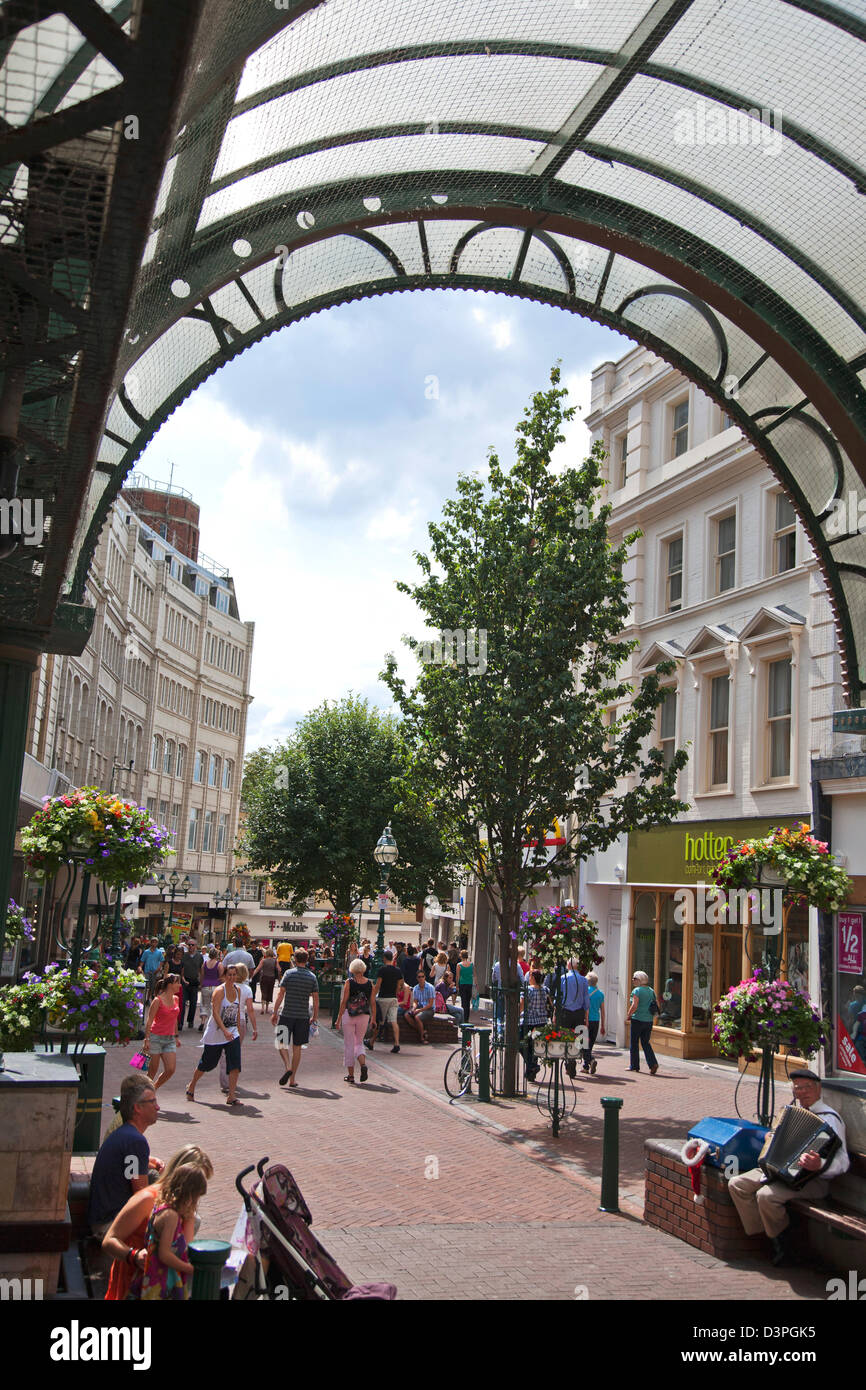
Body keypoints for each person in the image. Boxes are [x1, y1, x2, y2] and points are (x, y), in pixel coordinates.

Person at [728, 1070, 850, 1265]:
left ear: (818, 1089)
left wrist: (819, 1165)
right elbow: (775, 1139)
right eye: (797, 1088)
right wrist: (770, 1140)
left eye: (807, 1087)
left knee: (765, 1196)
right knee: (737, 1183)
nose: (802, 1092)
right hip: (778, 1172)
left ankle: (784, 1247)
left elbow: (843, 1162)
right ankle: (766, 1238)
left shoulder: (830, 1119)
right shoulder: (789, 1112)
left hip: (811, 1181)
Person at [102, 1145, 214, 1301]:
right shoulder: (147, 1199)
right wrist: (133, 1255)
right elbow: (109, 1240)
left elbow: (183, 1253)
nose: (195, 1199)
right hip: (133, 1284)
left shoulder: (185, 1210)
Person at [88, 1075, 163, 1238]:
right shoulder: (136, 1142)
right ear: (137, 1108)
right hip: (110, 1226)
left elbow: (131, 1171)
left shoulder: (126, 1135)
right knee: (185, 1221)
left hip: (103, 1219)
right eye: (153, 1102)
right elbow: (141, 1196)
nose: (157, 1107)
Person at [128, 1163, 208, 1301]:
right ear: (188, 1194)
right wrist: (190, 1269)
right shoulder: (171, 1216)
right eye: (196, 1198)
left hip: (157, 1278)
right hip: (160, 1283)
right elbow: (164, 1254)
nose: (195, 1203)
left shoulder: (161, 1207)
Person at [186, 963, 248, 1106]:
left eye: (234, 975)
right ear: (224, 976)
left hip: (232, 1033)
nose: (232, 978)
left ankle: (231, 1096)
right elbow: (215, 1013)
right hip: (216, 1033)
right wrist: (224, 1030)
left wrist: (236, 1030)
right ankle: (192, 1085)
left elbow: (238, 1012)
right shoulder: (219, 991)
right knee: (208, 1063)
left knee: (235, 1064)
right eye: (229, 975)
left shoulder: (238, 990)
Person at [272, 947, 319, 1088]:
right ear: (306, 960)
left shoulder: (289, 974)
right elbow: (316, 1000)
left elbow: (281, 994)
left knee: (281, 1042)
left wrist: (274, 1012)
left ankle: (287, 1066)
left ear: (295, 959)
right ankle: (292, 1079)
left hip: (286, 1014)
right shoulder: (312, 977)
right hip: (303, 1016)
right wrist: (315, 1017)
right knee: (297, 1047)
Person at [544, 959, 590, 1078]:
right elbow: (586, 999)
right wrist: (586, 1015)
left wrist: (555, 1012)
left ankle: (568, 1062)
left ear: (569, 965)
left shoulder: (563, 978)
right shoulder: (584, 980)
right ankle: (573, 1059)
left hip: (565, 1012)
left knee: (565, 1037)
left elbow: (559, 997)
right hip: (578, 1012)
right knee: (578, 1038)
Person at [219, 963, 257, 1092]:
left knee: (225, 1052)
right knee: (234, 1052)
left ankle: (225, 1081)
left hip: (226, 1020)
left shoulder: (227, 987)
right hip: (240, 1021)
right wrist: (255, 1027)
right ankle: (230, 1081)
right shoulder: (247, 989)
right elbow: (250, 1010)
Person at [336, 957, 373, 1083]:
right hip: (364, 1015)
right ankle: (363, 1065)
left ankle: (351, 1075)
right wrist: (373, 1018)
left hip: (350, 1014)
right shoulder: (369, 983)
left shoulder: (349, 982)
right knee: (359, 1042)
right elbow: (372, 1002)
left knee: (349, 1044)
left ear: (352, 969)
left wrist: (338, 1018)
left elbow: (344, 1001)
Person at [144, 974, 182, 1090]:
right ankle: (144, 1093)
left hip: (169, 1039)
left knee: (170, 1069)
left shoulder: (176, 999)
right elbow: (149, 1020)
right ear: (170, 985)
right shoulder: (158, 1000)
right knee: (152, 1071)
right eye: (177, 983)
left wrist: (176, 1036)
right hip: (155, 1038)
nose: (179, 985)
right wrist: (147, 1039)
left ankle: (153, 1089)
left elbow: (174, 1018)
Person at [625, 970, 659, 1074]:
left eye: (634, 978)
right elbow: (657, 1004)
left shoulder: (637, 991)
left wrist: (629, 1014)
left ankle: (634, 1065)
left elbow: (634, 1005)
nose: (633, 980)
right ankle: (653, 1063)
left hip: (638, 1019)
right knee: (645, 1042)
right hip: (648, 1020)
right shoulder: (651, 990)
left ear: (639, 979)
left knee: (634, 1043)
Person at [520, 970, 550, 1082]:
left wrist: (517, 1015)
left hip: (529, 1022)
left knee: (521, 1043)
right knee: (535, 1046)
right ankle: (530, 1072)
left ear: (532, 977)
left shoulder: (528, 990)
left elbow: (522, 1006)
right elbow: (551, 1004)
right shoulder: (545, 990)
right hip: (541, 1022)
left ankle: (531, 1066)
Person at [372, 948, 403, 1053]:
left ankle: (371, 1042)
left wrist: (373, 995)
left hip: (383, 998)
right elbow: (400, 986)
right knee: (394, 1021)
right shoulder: (397, 970)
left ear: (384, 958)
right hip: (393, 998)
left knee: (379, 1021)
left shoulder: (382, 970)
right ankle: (397, 1043)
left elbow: (378, 985)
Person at [179, 940, 203, 1030]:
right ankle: (180, 1022)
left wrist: (201, 981)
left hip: (194, 981)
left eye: (192, 945)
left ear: (196, 946)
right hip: (185, 980)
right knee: (182, 1002)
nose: (190, 946)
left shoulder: (199, 957)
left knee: (193, 1003)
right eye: (189, 945)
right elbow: (181, 968)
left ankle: (190, 1020)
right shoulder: (184, 956)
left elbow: (201, 970)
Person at [585, 971, 605, 1074]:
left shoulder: (585, 992)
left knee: (584, 1044)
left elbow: (586, 1008)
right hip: (596, 1020)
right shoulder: (600, 994)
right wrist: (603, 1025)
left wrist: (586, 1020)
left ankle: (591, 1060)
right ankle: (585, 1066)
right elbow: (602, 1010)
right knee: (591, 1043)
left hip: (587, 1020)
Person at [409, 967, 436, 1044]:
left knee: (417, 1017)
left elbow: (430, 1004)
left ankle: (422, 1038)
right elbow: (415, 1001)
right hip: (420, 1007)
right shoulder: (415, 988)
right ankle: (422, 1030)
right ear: (417, 978)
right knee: (407, 1015)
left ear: (425, 977)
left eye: (422, 976)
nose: (421, 978)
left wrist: (419, 1010)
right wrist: (414, 1008)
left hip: (429, 1009)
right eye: (419, 977)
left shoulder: (430, 988)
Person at [198, 946, 221, 1032]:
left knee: (204, 1004)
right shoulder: (219, 964)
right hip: (216, 987)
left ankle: (203, 1021)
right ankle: (213, 1023)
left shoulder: (205, 964)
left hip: (206, 986)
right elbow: (221, 976)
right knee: (214, 1005)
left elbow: (202, 975)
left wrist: (201, 984)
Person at [253, 947, 279, 1015]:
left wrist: (252, 975)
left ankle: (262, 1008)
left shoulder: (263, 960)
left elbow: (258, 969)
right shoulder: (275, 961)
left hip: (264, 977)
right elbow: (279, 969)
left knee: (263, 992)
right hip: (272, 978)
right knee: (269, 992)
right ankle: (267, 1009)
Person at [456, 949, 474, 1023]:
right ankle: (467, 1019)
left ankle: (463, 1018)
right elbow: (474, 975)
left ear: (461, 956)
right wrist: (476, 985)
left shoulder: (459, 965)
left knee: (463, 1002)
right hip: (469, 984)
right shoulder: (472, 964)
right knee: (468, 1002)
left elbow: (458, 976)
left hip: (462, 984)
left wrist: (457, 985)